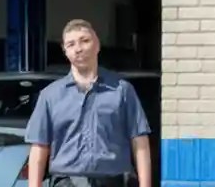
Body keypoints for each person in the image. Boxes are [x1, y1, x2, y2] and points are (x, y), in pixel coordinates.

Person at [24, 19, 152, 187]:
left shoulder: (122, 90)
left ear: (97, 45)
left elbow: (140, 142)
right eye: (71, 44)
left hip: (113, 181)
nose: (78, 49)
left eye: (85, 41)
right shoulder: (50, 96)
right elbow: (39, 148)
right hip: (67, 182)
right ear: (65, 52)